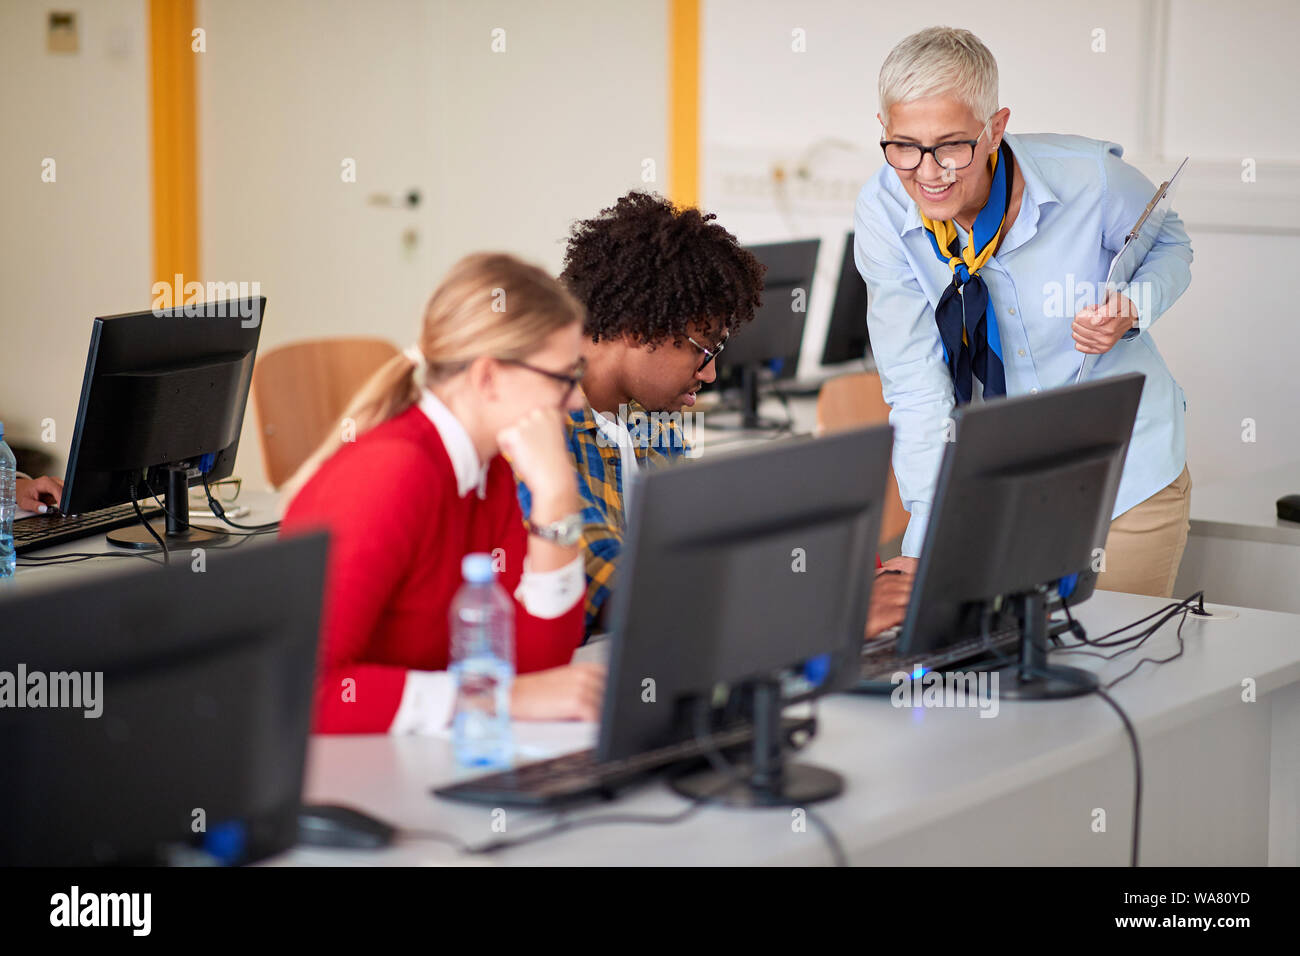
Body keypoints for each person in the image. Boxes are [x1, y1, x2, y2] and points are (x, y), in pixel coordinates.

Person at [855, 26, 1194, 598]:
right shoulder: (883, 212)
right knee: (1005, 669)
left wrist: (1134, 306)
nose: (930, 172)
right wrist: (925, 537)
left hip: (1125, 474)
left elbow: (1170, 244)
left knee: (1120, 670)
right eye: (905, 147)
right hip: (999, 485)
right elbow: (915, 385)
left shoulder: (1090, 178)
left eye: (952, 146)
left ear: (995, 129)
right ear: (884, 133)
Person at [522, 190, 915, 639]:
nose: (709, 374)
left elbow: (691, 556)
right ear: (637, 328)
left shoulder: (649, 417)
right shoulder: (545, 422)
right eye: (703, 349)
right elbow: (621, 596)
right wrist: (824, 612)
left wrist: (831, 579)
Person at [280, 253, 602, 734]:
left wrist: (557, 498)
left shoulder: (486, 469)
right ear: (487, 377)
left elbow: (540, 670)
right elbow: (297, 692)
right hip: (340, 774)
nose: (577, 400)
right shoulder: (393, 471)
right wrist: (495, 697)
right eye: (564, 379)